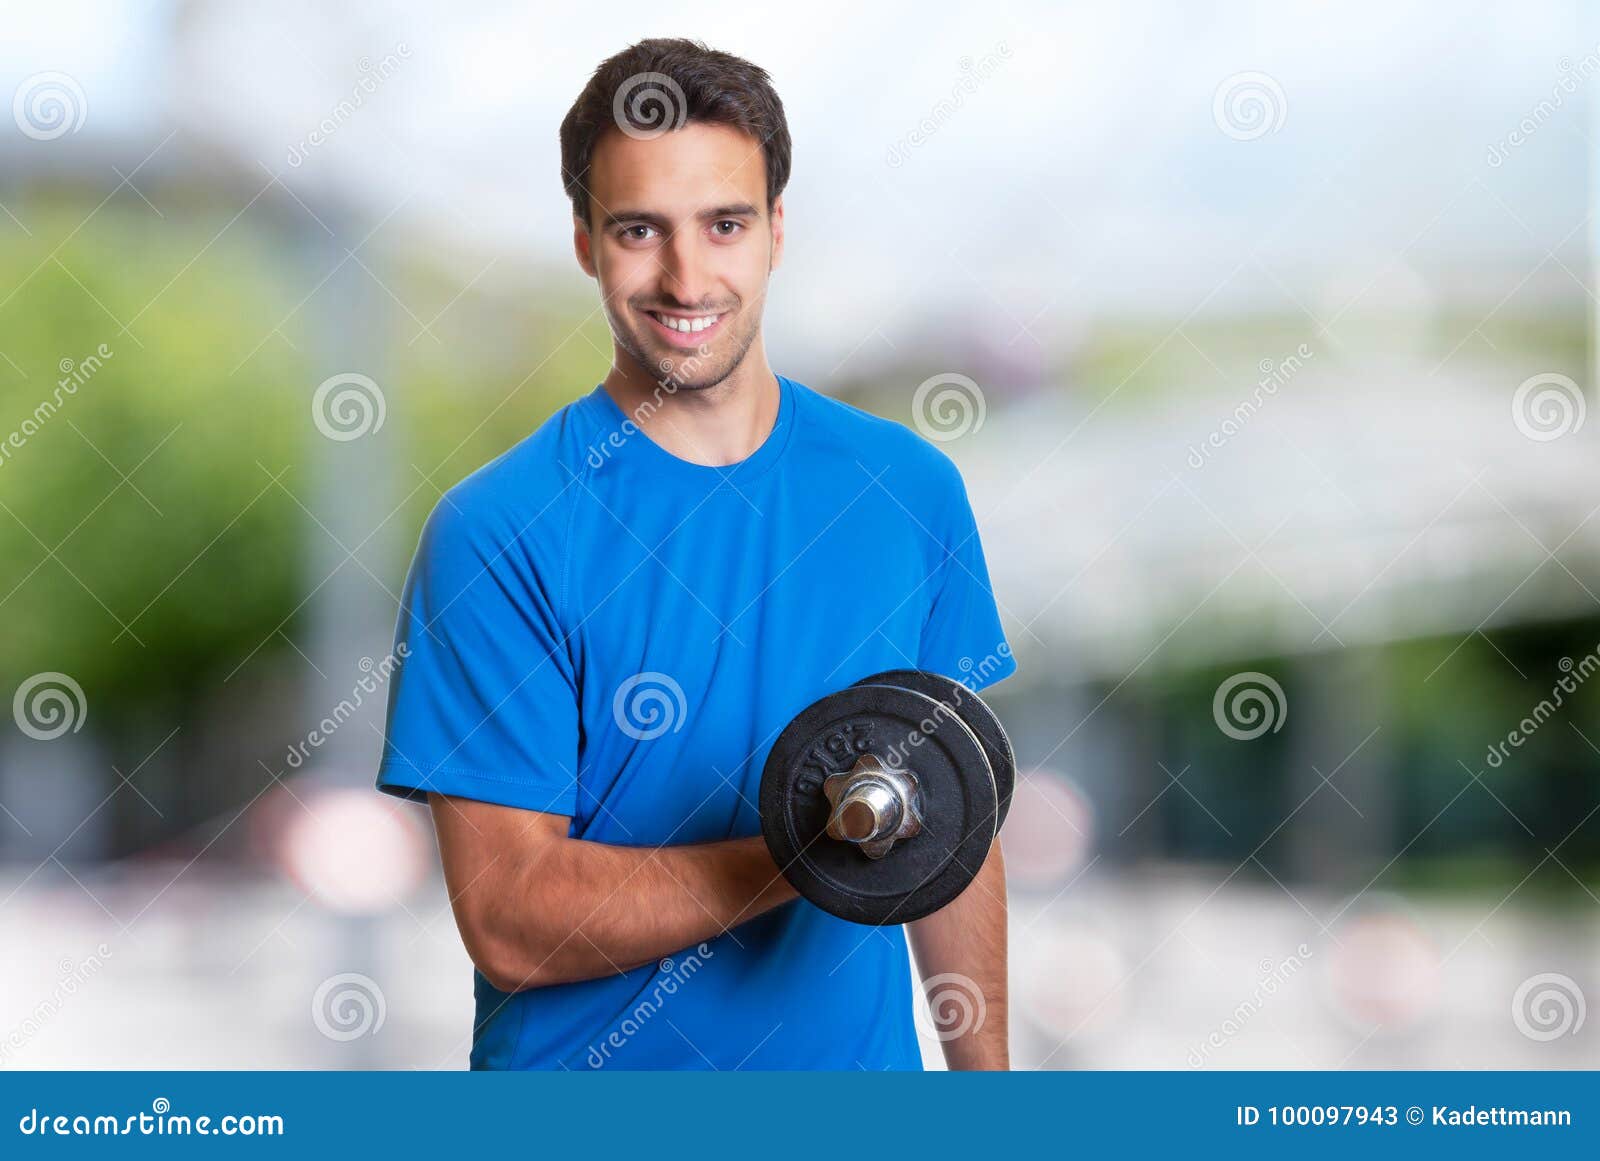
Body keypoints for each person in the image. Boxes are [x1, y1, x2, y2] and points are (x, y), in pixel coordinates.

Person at [375, 36, 1016, 1070]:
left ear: (774, 230)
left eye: (723, 224)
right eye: (640, 230)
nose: (686, 274)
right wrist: (821, 848)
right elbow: (509, 918)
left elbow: (954, 820)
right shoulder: (501, 529)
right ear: (585, 241)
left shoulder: (906, 491)